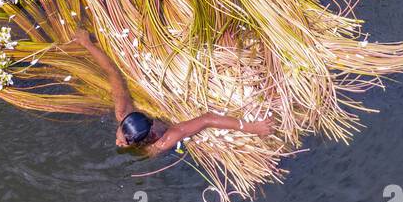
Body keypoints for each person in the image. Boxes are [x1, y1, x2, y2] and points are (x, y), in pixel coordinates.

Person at [71, 30, 272, 156]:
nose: (117, 142)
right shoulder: (123, 111)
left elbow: (207, 119)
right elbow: (112, 72)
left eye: (124, 141)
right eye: (121, 137)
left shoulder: (165, 140)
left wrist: (252, 128)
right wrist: (86, 43)